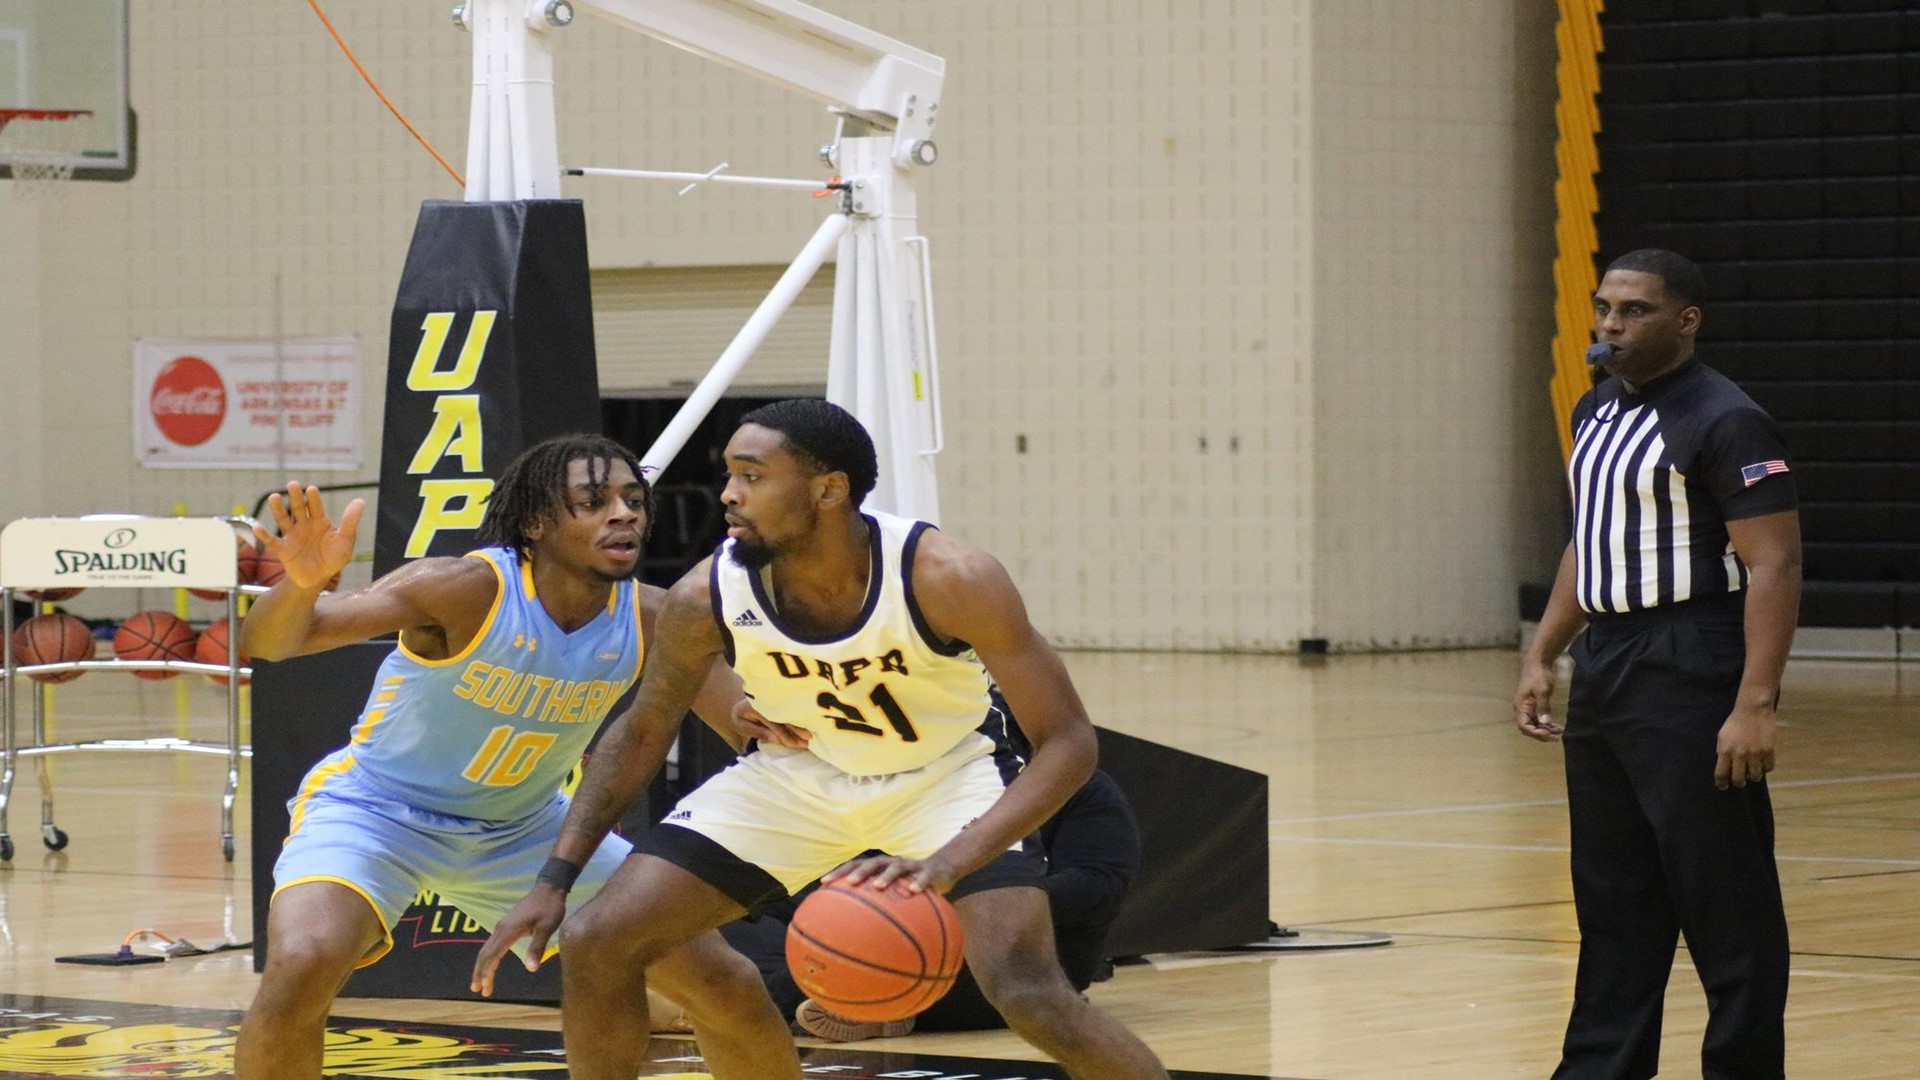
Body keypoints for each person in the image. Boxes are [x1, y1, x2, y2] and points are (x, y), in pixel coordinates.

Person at [474, 399, 1171, 1080]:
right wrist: (554, 881)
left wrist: (951, 860)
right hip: (797, 777)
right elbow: (644, 730)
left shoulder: (949, 577)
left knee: (1027, 993)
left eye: (752, 475)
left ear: (828, 490)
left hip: (944, 775)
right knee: (598, 939)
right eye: (729, 475)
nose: (729, 494)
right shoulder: (705, 595)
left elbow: (1070, 743)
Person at [233, 435, 779, 1080]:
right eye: (594, 501)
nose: (624, 513)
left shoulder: (655, 616)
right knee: (300, 963)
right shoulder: (464, 588)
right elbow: (271, 642)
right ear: (535, 522)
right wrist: (299, 587)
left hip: (526, 826)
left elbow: (749, 723)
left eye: (633, 500)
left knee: (727, 982)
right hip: (377, 812)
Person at [1514, 249, 1799, 1080]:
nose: (1610, 324)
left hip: (1691, 659)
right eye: (1605, 307)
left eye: (1634, 310)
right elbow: (1590, 540)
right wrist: (1544, 650)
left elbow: (1774, 565)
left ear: (1686, 320)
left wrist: (1754, 704)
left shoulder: (1727, 419)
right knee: (1612, 897)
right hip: (1607, 663)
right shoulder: (1595, 410)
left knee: (1725, 900)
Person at [663, 704, 1141, 1042]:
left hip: (1022, 955)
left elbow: (1095, 888)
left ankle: (716, 1006)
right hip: (897, 936)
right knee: (743, 915)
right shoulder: (924, 779)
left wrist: (955, 896)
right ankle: (866, 1007)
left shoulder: (1086, 792)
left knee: (935, 956)